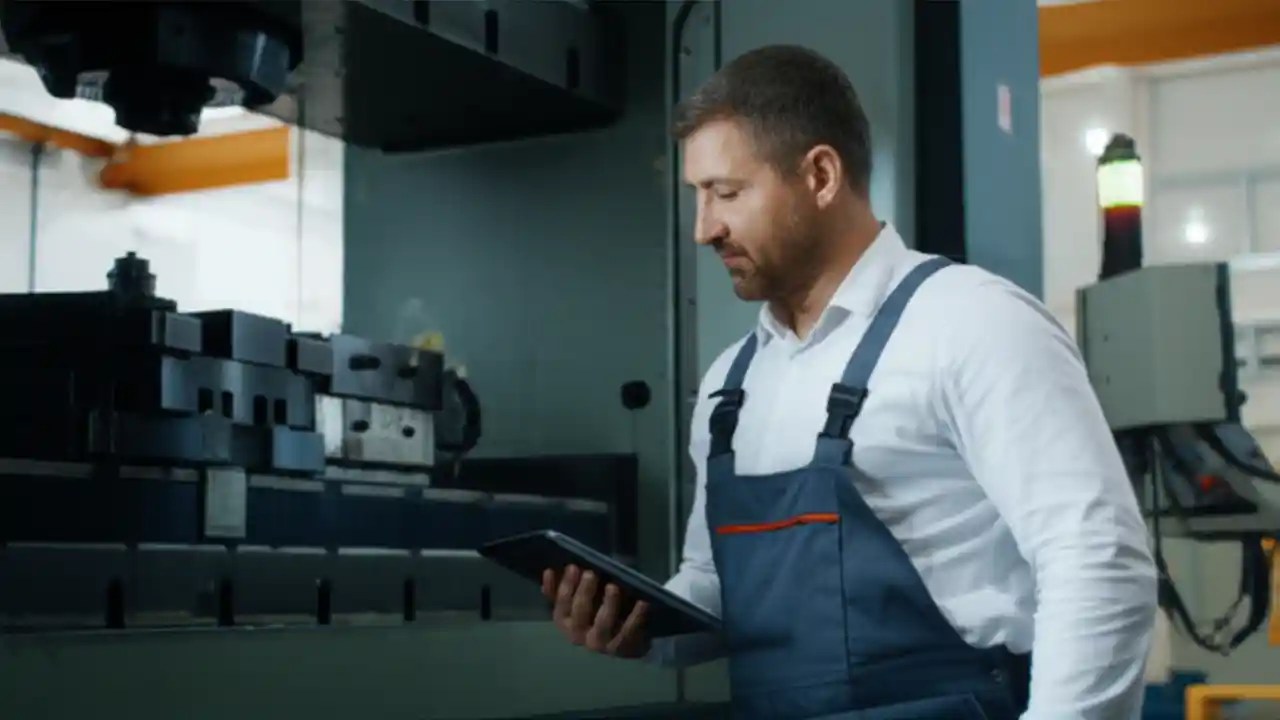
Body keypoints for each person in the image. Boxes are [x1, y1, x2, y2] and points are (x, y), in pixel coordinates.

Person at [542, 45, 1158, 719]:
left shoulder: (971, 323)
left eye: (727, 193)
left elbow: (1098, 562)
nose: (704, 229)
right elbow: (717, 587)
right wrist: (641, 628)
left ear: (822, 175)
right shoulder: (730, 386)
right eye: (698, 197)